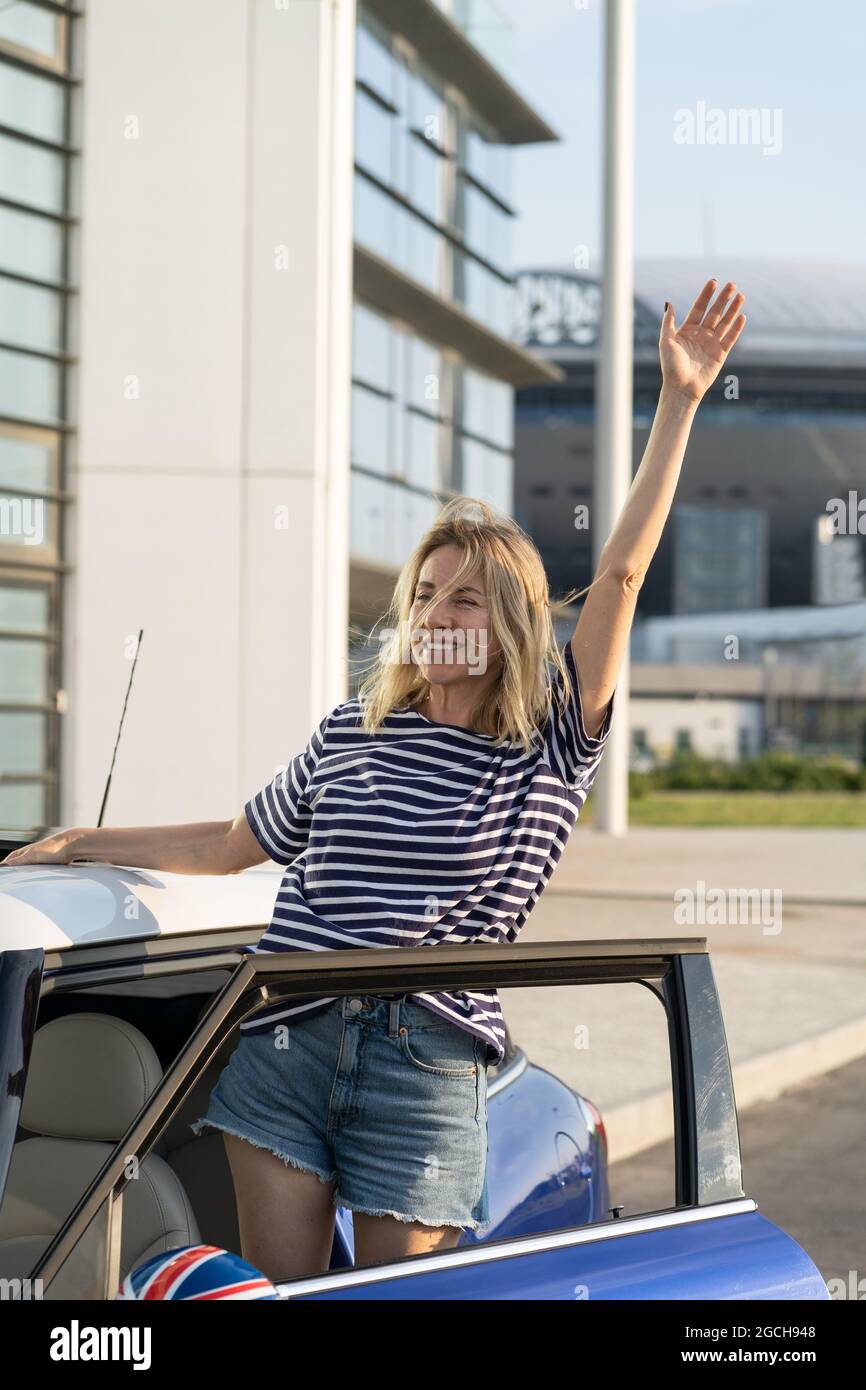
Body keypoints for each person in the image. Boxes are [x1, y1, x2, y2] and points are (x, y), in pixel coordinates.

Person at [3, 278, 746, 1281]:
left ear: (511, 624)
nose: (439, 608)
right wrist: (83, 841)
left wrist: (680, 399)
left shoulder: (548, 737)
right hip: (279, 1032)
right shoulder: (355, 729)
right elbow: (232, 845)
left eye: (468, 596)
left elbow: (616, 576)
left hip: (426, 1056)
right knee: (294, 1296)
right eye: (426, 590)